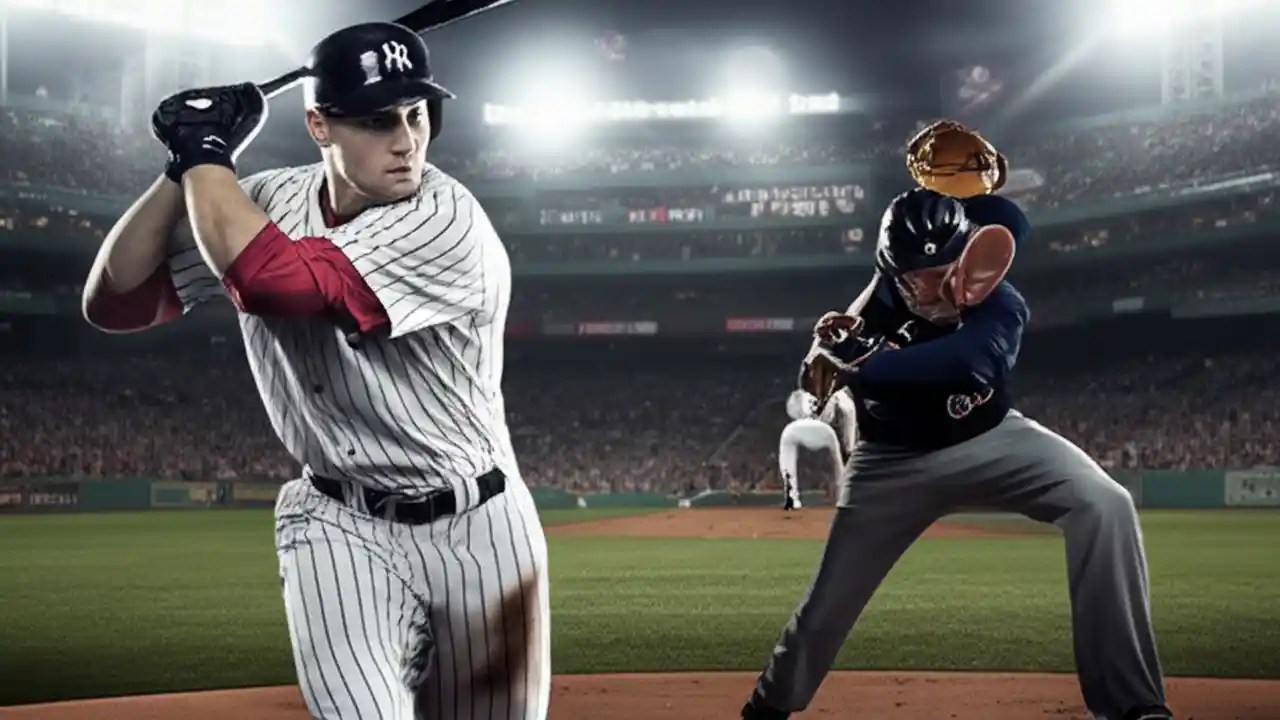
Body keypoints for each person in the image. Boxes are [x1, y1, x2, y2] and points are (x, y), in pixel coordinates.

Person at [81, 22, 549, 720]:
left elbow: (275, 283)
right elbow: (115, 301)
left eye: (416, 114)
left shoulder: (449, 222)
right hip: (337, 525)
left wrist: (209, 152)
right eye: (375, 120)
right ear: (319, 126)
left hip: (481, 532)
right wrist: (181, 166)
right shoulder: (266, 200)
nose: (406, 139)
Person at [740, 188, 1171, 720]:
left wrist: (864, 364)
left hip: (992, 440)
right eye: (918, 276)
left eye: (948, 266)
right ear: (892, 274)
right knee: (827, 604)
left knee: (1107, 504)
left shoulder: (1000, 301)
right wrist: (820, 362)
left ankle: (1133, 703)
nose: (938, 287)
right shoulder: (870, 308)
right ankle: (768, 705)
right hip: (890, 465)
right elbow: (818, 375)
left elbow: (973, 360)